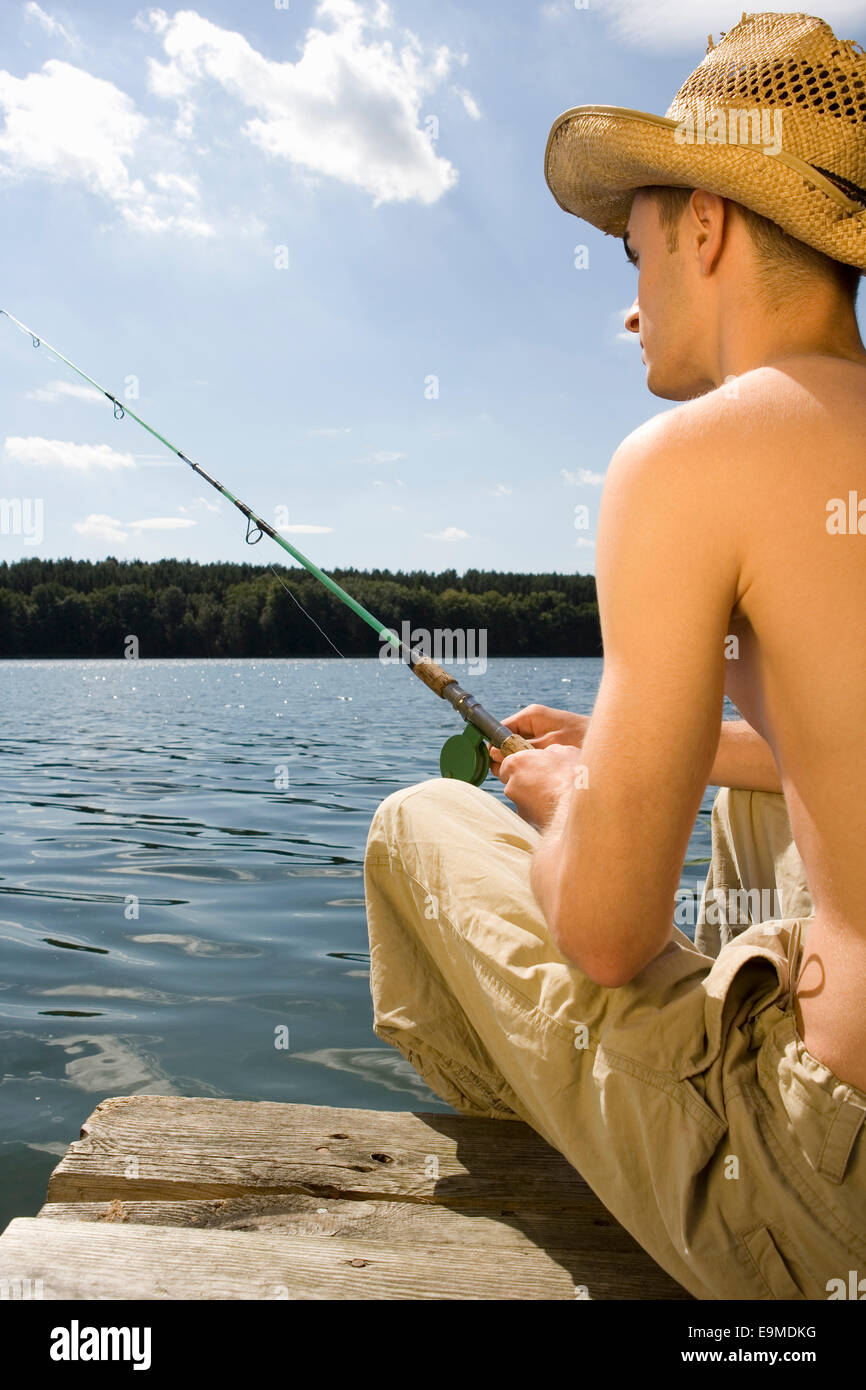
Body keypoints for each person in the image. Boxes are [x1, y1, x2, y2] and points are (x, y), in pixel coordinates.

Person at [363, 12, 866, 1300]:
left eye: (637, 253)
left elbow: (600, 931)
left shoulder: (689, 461)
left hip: (825, 1199)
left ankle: (588, 1139)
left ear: (708, 224)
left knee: (420, 825)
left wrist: (569, 799)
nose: (630, 307)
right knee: (743, 804)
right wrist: (652, 747)